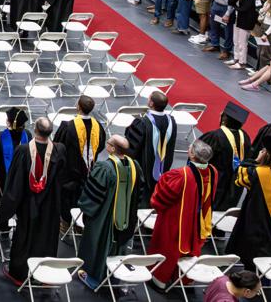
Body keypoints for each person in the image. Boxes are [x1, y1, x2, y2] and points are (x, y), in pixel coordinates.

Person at [0, 117, 66, 286]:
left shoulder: (23, 151)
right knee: (46, 238)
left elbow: (14, 185)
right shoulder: (59, 150)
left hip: (28, 206)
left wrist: (4, 213)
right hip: (50, 206)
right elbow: (63, 179)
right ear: (51, 132)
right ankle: (44, 273)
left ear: (35, 129)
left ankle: (19, 274)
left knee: (25, 237)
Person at [77, 135, 143, 290]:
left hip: (104, 218)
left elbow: (92, 198)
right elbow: (139, 195)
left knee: (99, 244)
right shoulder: (135, 166)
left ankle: (93, 276)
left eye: (108, 143)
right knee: (118, 244)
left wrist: (87, 210)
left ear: (112, 148)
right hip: (126, 217)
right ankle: (112, 274)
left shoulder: (104, 168)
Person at [147, 140, 217, 286]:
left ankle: (160, 280)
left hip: (176, 219)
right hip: (199, 220)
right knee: (190, 250)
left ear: (191, 155)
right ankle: (184, 280)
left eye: (190, 148)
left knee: (169, 248)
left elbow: (160, 198)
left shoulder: (181, 175)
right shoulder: (213, 172)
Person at [226, 137, 271, 261]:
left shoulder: (259, 173)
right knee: (266, 255)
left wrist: (256, 160)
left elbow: (239, 175)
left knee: (252, 254)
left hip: (256, 222)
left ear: (268, 155)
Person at [52, 95, 107, 228]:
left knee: (67, 197)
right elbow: (100, 146)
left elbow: (58, 147)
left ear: (78, 107)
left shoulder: (67, 126)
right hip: (89, 171)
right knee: (84, 195)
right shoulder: (98, 126)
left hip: (70, 171)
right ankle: (79, 223)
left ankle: (65, 223)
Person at [125, 90, 177, 205]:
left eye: (149, 99)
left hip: (144, 168)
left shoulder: (142, 122)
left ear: (151, 104)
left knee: (142, 196)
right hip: (164, 166)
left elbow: (132, 147)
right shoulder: (172, 121)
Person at [198, 102, 251, 210]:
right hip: (235, 185)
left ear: (224, 119)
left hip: (215, 183)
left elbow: (197, 157)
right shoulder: (245, 137)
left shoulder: (215, 136)